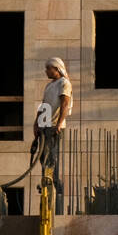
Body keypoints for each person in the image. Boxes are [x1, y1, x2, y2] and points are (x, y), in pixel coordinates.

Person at [33, 57, 73, 214]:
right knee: (43, 157)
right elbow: (43, 106)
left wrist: (59, 124)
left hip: (54, 126)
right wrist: (36, 123)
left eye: (49, 68)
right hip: (45, 126)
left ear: (56, 69)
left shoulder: (64, 83)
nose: (46, 71)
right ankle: (47, 182)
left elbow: (64, 103)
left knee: (51, 158)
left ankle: (55, 185)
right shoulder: (49, 86)